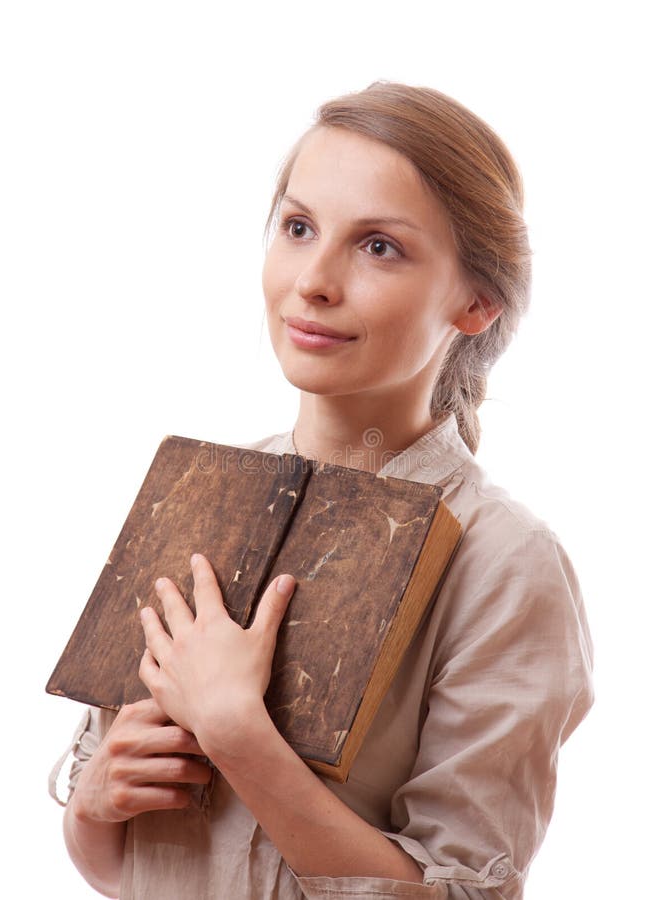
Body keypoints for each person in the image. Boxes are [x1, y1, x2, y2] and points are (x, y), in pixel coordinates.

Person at [51, 81, 594, 899]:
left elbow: (467, 893)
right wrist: (92, 808)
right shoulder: (198, 490)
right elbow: (136, 867)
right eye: (299, 228)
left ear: (477, 301)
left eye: (379, 247)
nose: (314, 281)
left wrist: (239, 734)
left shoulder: (506, 563)